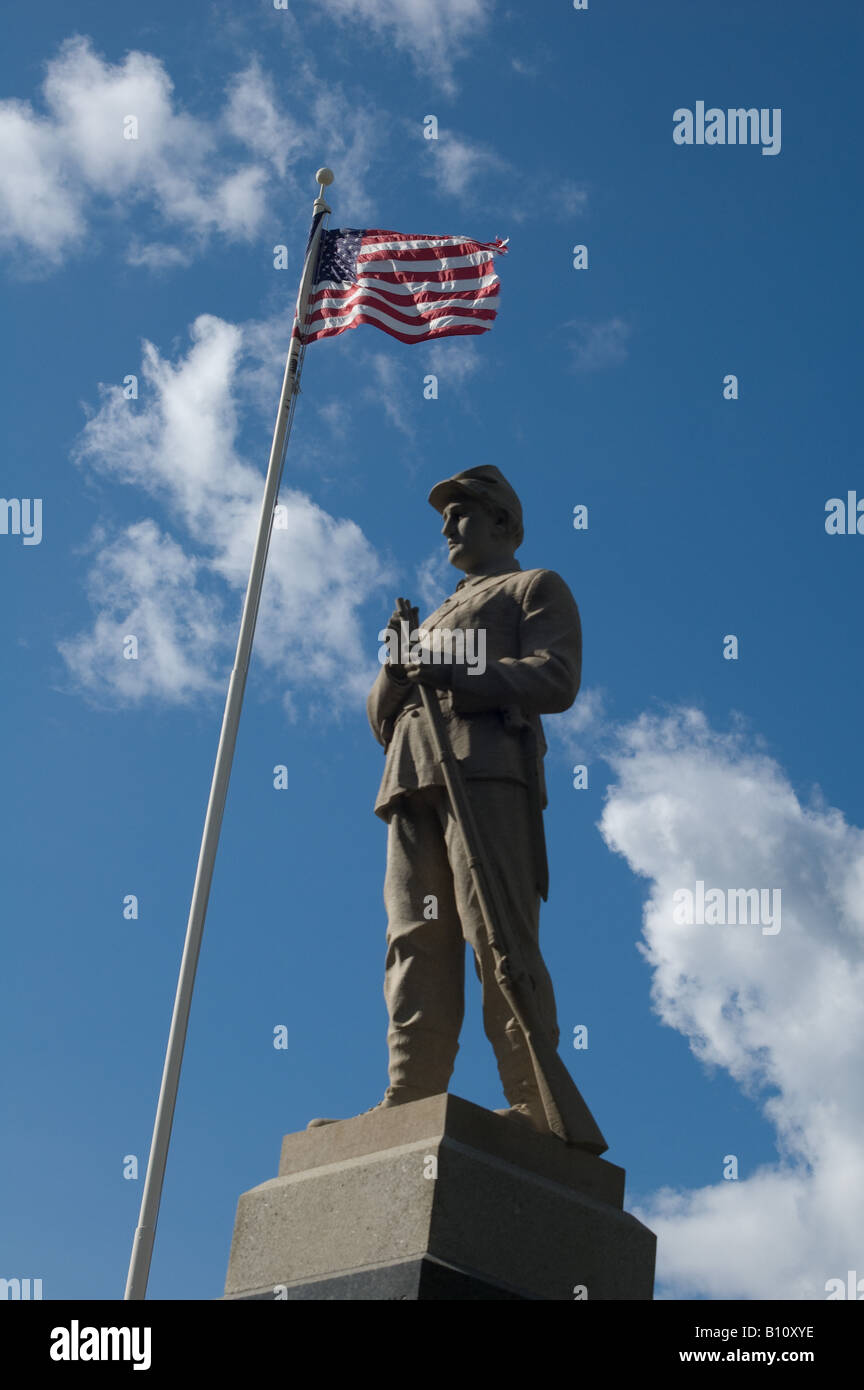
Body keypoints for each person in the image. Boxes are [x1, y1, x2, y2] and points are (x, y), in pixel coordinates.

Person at [309, 465, 582, 1134]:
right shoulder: (430, 618)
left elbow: (556, 678)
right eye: (445, 515)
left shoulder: (531, 587)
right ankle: (410, 1092)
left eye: (462, 512)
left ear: (503, 523)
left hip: (487, 770)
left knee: (497, 932)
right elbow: (381, 720)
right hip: (410, 779)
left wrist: (452, 669)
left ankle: (536, 1104)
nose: (446, 527)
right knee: (415, 939)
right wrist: (396, 664)